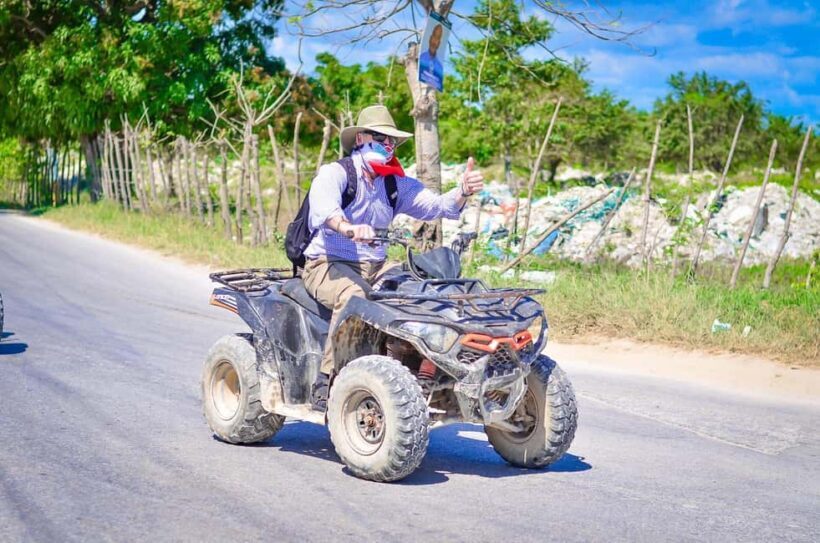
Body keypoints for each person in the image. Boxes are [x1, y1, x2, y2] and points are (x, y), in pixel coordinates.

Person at [303, 104, 484, 407]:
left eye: (393, 142)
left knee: (421, 290)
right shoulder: (335, 174)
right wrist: (348, 228)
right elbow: (324, 212)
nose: (389, 146)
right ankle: (326, 380)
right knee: (354, 296)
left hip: (376, 265)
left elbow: (437, 206)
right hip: (327, 263)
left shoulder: (393, 183)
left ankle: (418, 366)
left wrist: (462, 191)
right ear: (361, 138)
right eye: (382, 138)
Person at [419, 23, 445, 90]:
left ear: (439, 43)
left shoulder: (439, 67)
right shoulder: (421, 58)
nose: (434, 41)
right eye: (434, 37)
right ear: (430, 38)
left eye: (437, 38)